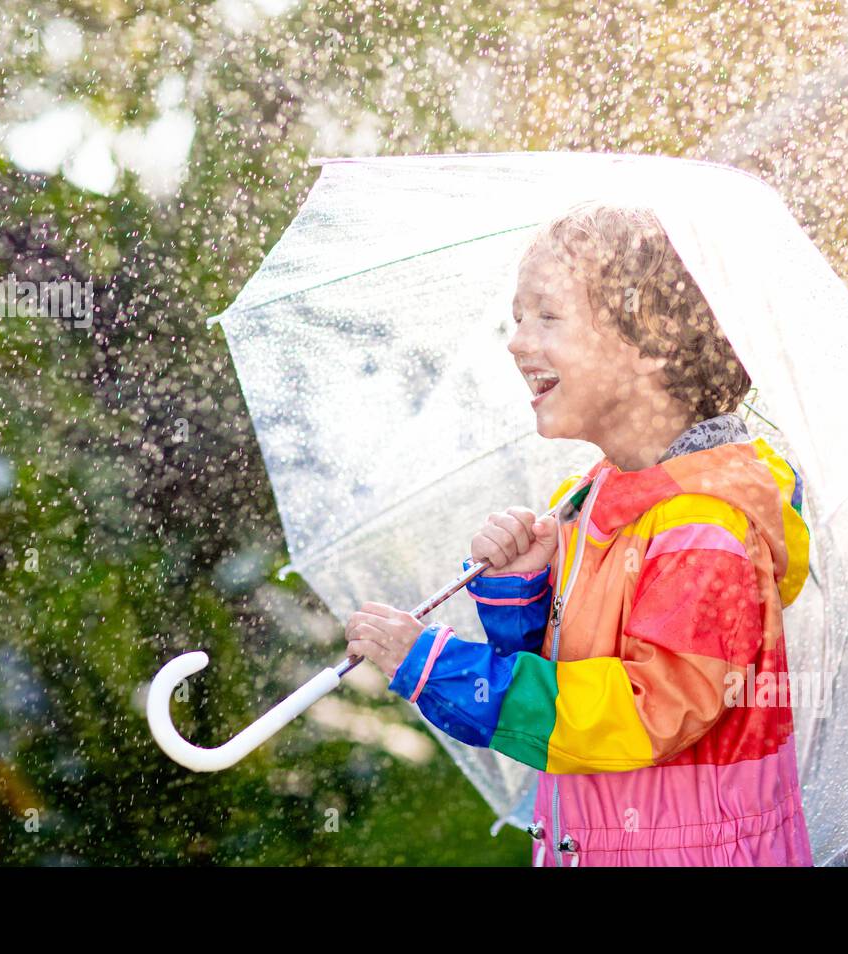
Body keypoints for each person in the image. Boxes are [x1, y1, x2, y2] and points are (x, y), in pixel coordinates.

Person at [345, 201, 814, 866]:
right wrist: (521, 594)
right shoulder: (593, 499)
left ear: (652, 342)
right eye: (516, 317)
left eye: (547, 314)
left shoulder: (705, 527)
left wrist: (442, 670)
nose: (516, 340)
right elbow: (570, 672)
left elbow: (646, 711)